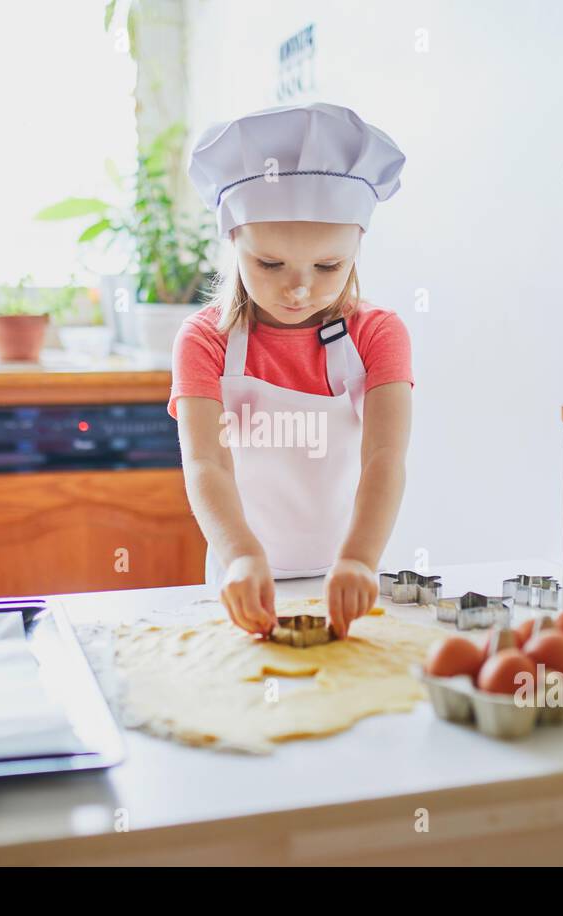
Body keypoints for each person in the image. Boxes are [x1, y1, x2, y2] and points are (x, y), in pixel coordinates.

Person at [170, 102, 412, 640]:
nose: (299, 289)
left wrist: (359, 559)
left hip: (350, 572)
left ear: (357, 246)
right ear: (234, 241)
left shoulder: (377, 334)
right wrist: (239, 555)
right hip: (242, 579)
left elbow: (384, 458)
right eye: (270, 264)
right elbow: (206, 465)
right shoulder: (203, 342)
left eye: (328, 266)